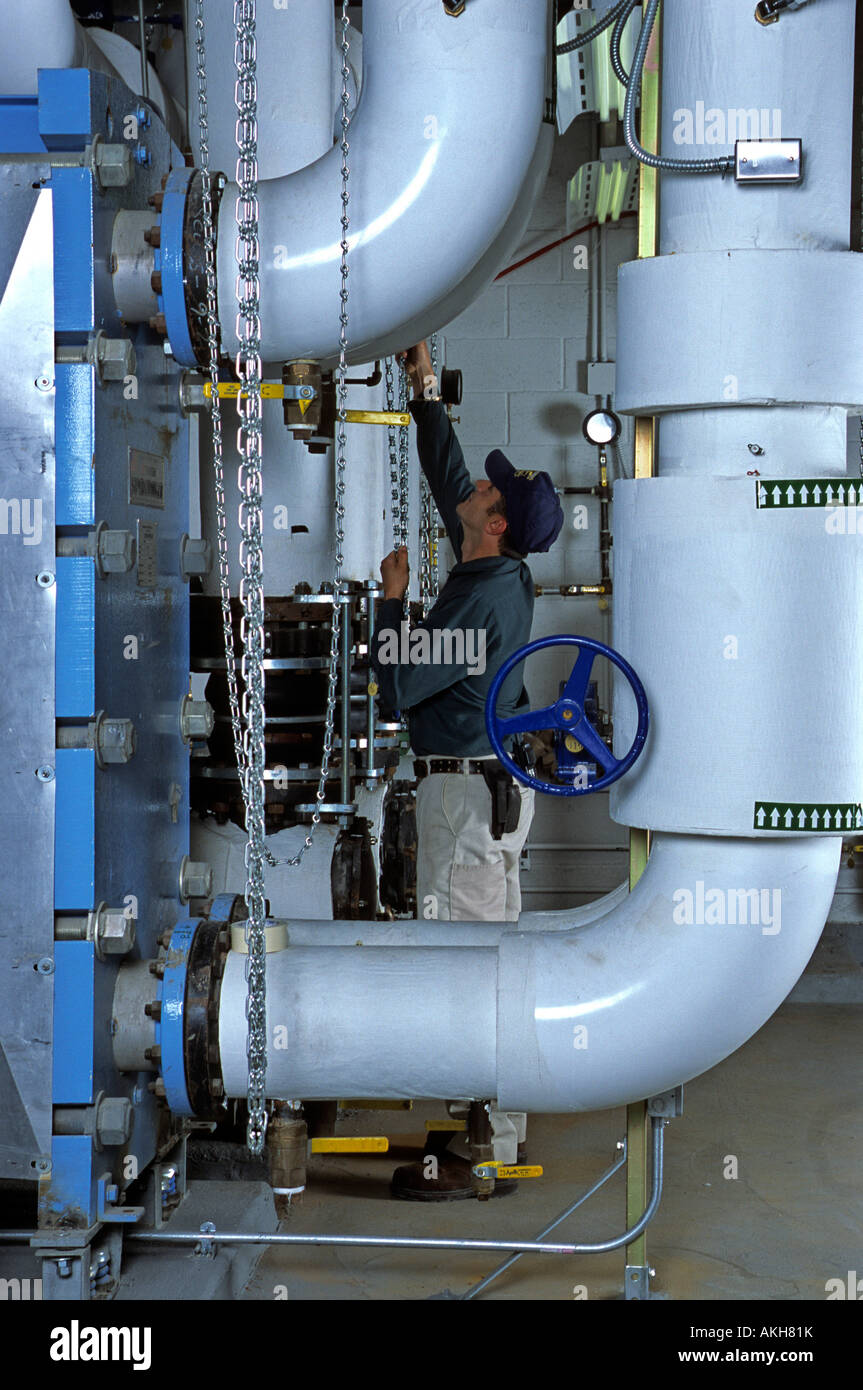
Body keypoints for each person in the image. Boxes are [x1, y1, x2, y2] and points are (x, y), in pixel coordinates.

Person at [371, 340, 565, 1201]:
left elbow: (401, 678)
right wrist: (420, 387)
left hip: (469, 791)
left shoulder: (482, 597)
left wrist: (387, 601)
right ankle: (472, 1123)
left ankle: (484, 1154)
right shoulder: (488, 562)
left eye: (490, 492)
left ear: (496, 524)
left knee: (475, 961)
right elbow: (448, 470)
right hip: (466, 785)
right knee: (460, 951)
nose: (476, 486)